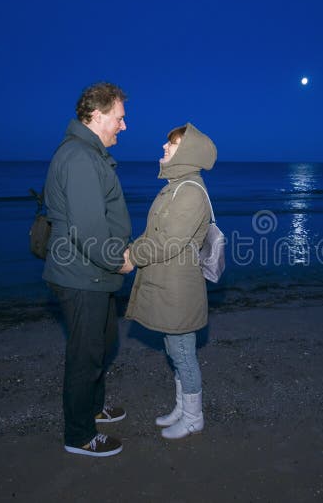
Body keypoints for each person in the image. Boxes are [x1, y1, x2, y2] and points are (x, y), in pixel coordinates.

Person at [42, 82, 133, 457]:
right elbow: (87, 229)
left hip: (93, 273)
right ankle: (79, 435)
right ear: (97, 116)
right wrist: (118, 258)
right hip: (82, 274)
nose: (124, 126)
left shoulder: (89, 153)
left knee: (103, 343)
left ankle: (94, 406)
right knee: (86, 354)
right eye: (119, 118)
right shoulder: (79, 157)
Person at [125, 122, 217, 439]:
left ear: (188, 153)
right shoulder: (177, 186)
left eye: (172, 144)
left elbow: (168, 241)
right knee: (174, 350)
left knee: (183, 354)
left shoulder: (189, 191)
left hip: (179, 289)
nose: (164, 147)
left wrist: (132, 257)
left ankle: (194, 417)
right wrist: (132, 249)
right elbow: (155, 234)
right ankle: (182, 408)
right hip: (168, 284)